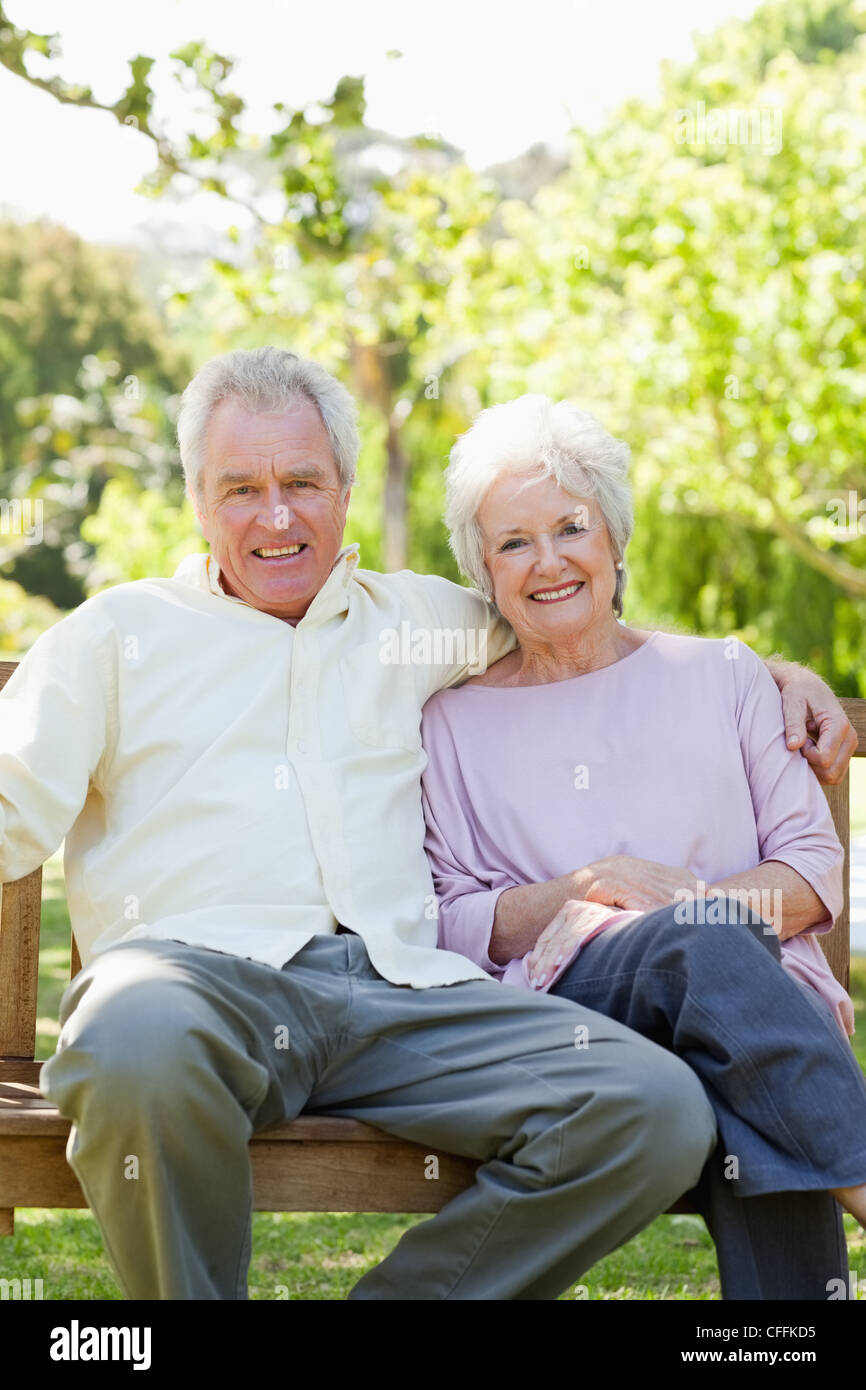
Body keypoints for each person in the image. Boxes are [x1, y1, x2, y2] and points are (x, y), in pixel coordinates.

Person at [0, 351, 850, 1301]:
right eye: (241, 488)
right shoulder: (116, 637)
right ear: (198, 501)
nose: (276, 516)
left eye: (303, 484)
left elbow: (574, 609)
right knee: (130, 1041)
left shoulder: (423, 622)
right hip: (196, 986)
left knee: (649, 1110)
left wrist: (775, 673)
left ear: (347, 490)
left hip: (402, 990)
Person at [420, 392, 866, 1300]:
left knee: (745, 1038)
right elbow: (448, 918)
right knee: (727, 972)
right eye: (513, 543)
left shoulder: (727, 677)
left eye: (570, 528)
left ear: (615, 538)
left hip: (750, 1015)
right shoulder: (451, 724)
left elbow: (815, 874)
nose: (548, 562)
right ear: (484, 570)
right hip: (566, 1018)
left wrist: (684, 916)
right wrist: (595, 894)